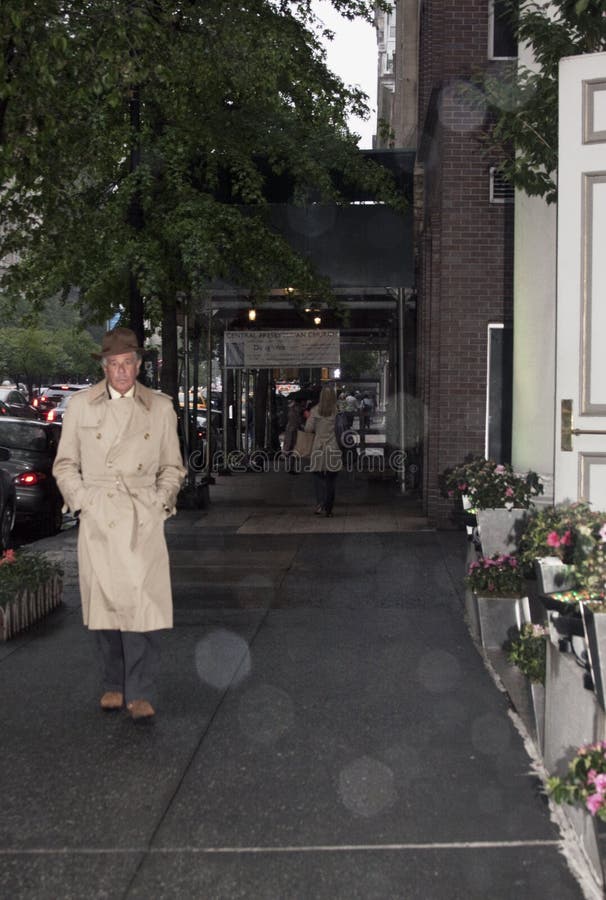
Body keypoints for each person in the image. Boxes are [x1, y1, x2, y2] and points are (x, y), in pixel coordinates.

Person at [52, 327, 186, 722]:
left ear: (139, 365)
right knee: (103, 605)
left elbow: (172, 466)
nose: (121, 371)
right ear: (104, 366)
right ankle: (113, 683)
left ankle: (140, 690)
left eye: (128, 363)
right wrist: (83, 503)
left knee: (143, 607)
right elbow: (64, 464)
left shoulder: (159, 407)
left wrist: (160, 502)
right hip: (99, 516)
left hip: (141, 518)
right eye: (114, 364)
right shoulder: (80, 406)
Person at [304, 386, 342, 517]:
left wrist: (309, 418)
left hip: (318, 448)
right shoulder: (337, 411)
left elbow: (308, 429)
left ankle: (320, 503)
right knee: (331, 480)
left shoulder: (315, 411)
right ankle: (329, 509)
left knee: (318, 477)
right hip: (333, 447)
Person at [282, 398, 303, 473]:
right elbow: (297, 421)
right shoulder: (295, 410)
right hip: (293, 431)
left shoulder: (291, 409)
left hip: (290, 429)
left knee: (290, 449)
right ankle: (290, 468)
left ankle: (290, 467)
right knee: (292, 449)